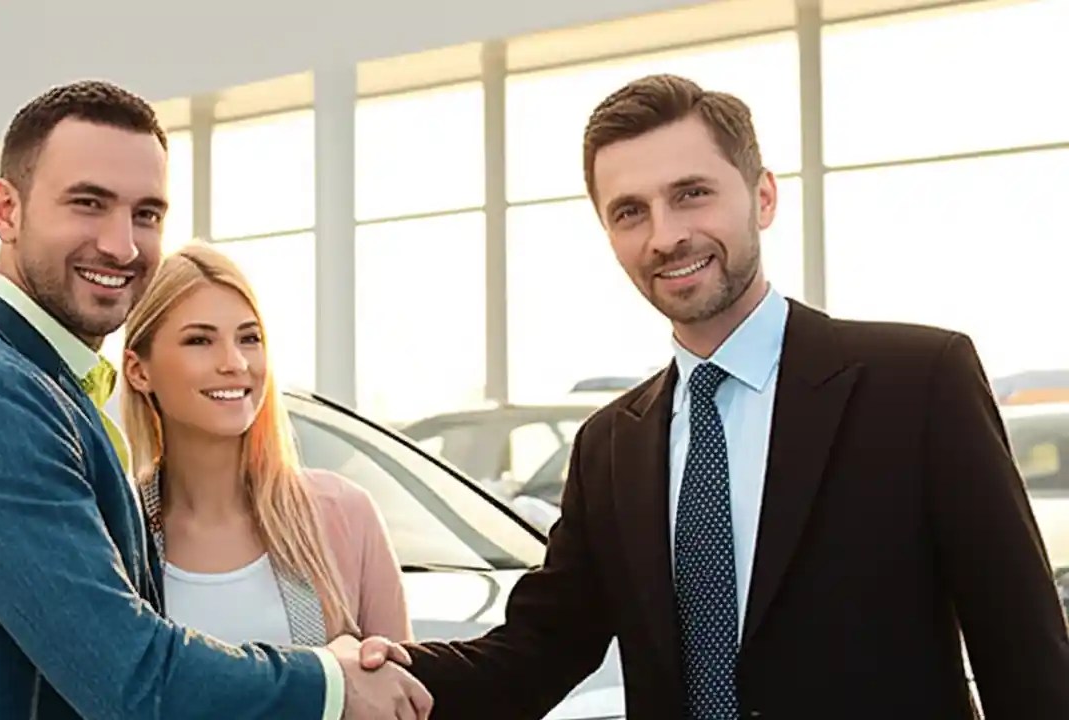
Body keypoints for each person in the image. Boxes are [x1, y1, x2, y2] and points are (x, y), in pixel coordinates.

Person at [359, 73, 1069, 718]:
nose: (666, 235)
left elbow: (1025, 654)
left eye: (691, 194)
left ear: (762, 196)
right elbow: (539, 650)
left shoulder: (917, 382)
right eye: (630, 211)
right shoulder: (611, 445)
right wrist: (373, 674)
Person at [0, 80, 430, 720]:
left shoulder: (38, 381)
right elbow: (130, 676)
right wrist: (332, 681)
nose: (121, 245)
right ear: (6, 210)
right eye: (88, 203)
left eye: (146, 214)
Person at [118, 241, 413, 647]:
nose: (235, 363)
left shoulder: (344, 514)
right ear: (138, 371)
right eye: (200, 341)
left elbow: (404, 700)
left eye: (249, 338)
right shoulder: (114, 531)